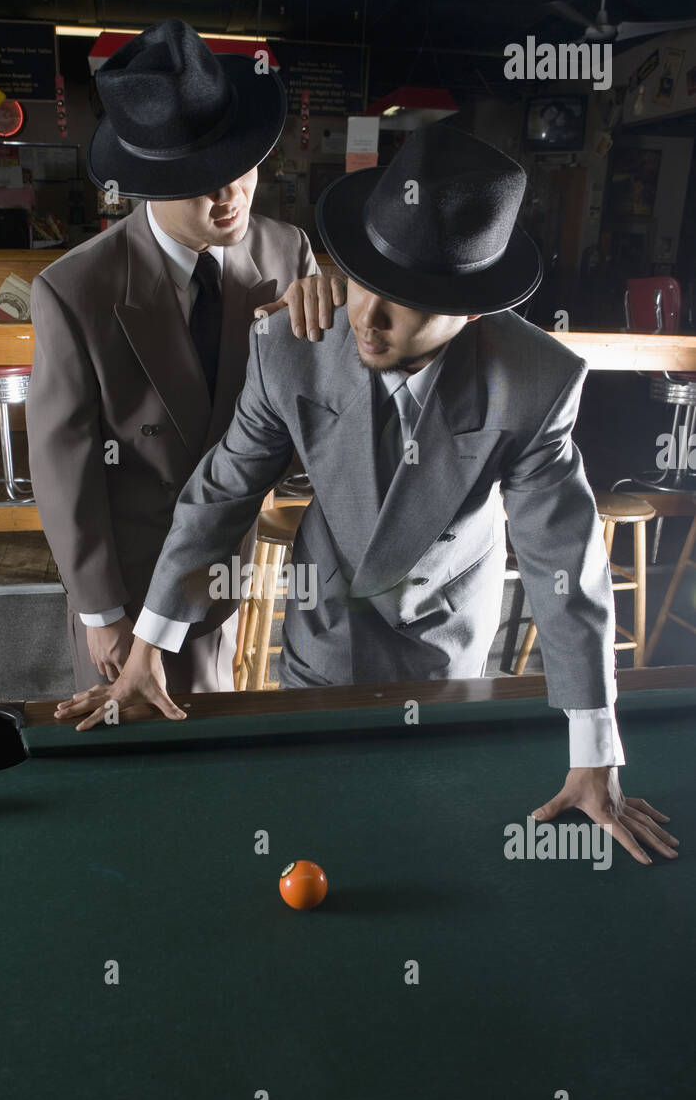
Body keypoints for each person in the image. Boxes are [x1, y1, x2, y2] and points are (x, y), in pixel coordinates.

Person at [57, 122, 677, 866]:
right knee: (315, 825)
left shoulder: (535, 382)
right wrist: (147, 649)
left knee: (429, 834)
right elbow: (222, 493)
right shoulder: (291, 343)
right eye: (363, 282)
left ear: (473, 311)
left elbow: (563, 565)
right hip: (328, 621)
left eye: (405, 302)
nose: (367, 318)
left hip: (447, 628)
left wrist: (594, 750)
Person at [27, 19, 341, 695]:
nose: (227, 196)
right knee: (125, 742)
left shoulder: (287, 253)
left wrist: (338, 327)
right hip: (129, 571)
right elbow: (64, 467)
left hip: (229, 552)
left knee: (215, 723)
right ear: (143, 182)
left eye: (238, 167)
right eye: (198, 179)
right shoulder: (76, 289)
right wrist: (100, 609)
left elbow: (313, 406)